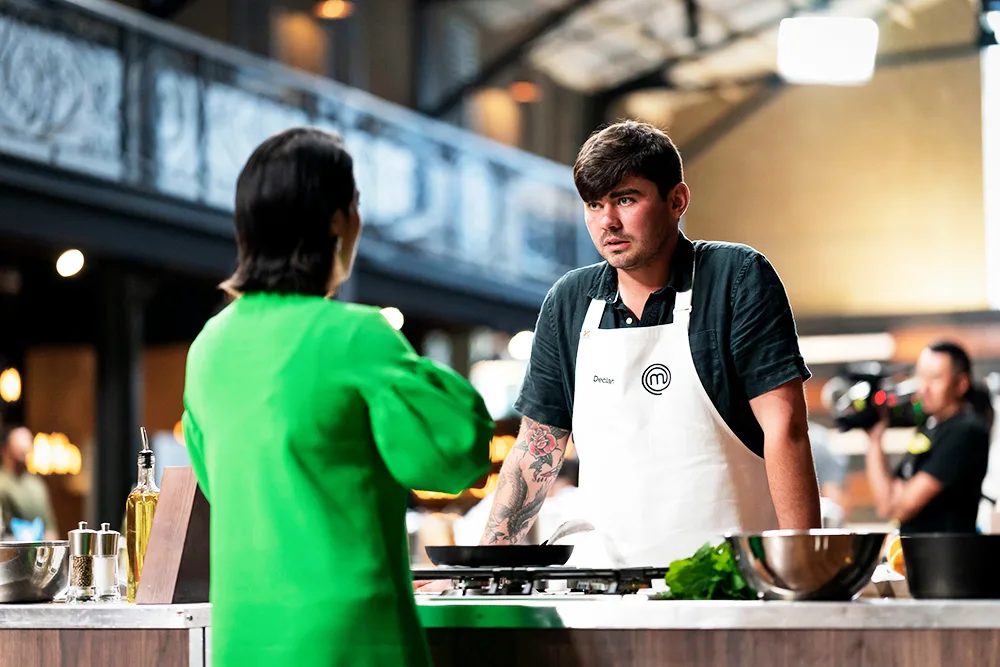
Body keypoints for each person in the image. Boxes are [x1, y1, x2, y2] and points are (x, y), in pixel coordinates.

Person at [181, 128, 493, 667]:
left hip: (246, 638)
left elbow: (216, 480)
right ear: (336, 222)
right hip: (352, 639)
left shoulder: (209, 347)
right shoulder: (357, 336)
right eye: (355, 204)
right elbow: (454, 456)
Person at [476, 120, 821, 567]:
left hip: (732, 580)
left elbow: (786, 426)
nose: (608, 222)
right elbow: (536, 448)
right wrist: (481, 566)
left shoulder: (735, 277)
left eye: (625, 199)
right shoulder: (569, 301)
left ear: (676, 200)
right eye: (594, 204)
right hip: (606, 581)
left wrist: (804, 564)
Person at [865, 341, 990, 534]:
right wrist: (874, 438)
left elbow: (902, 508)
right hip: (918, 557)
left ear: (961, 384)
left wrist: (897, 502)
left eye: (935, 378)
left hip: (946, 558)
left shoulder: (964, 431)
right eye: (921, 377)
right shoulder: (929, 428)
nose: (924, 387)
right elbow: (886, 504)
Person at [0, 425, 58, 540]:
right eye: (19, 448)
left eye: (27, 447)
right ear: (6, 449)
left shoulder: (36, 484)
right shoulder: (2, 483)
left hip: (38, 553)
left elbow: (49, 528)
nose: (25, 451)